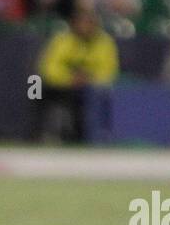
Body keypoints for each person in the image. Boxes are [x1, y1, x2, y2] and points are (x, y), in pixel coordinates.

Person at [37, 9, 118, 142]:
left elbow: (109, 70)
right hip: (63, 86)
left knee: (94, 95)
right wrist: (70, 79)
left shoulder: (105, 42)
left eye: (89, 23)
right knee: (34, 86)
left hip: (93, 90)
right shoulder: (62, 40)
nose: (85, 27)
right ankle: (41, 133)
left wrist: (89, 79)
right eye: (82, 23)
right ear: (74, 24)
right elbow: (48, 68)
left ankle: (88, 136)